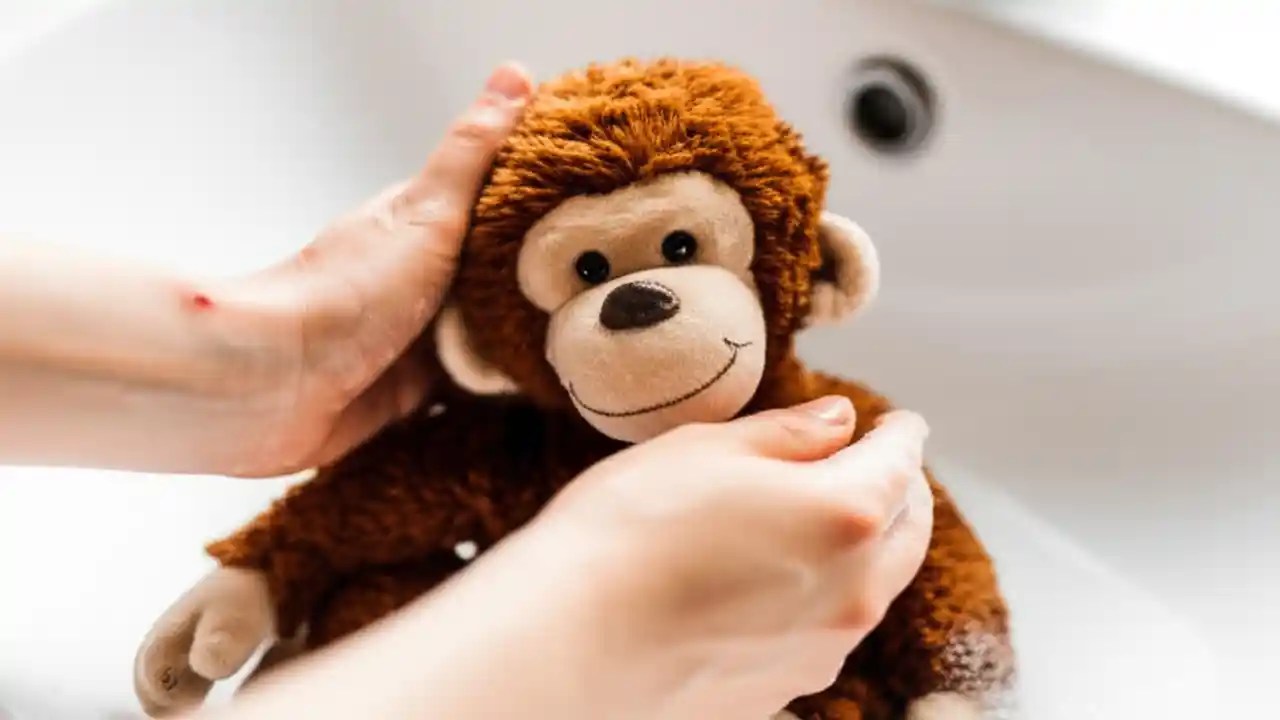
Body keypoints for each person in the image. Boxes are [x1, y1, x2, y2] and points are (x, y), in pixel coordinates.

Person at [0, 63, 935, 720]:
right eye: (587, 271)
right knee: (371, 595)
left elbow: (945, 588)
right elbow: (377, 504)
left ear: (818, 271)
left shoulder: (836, 432)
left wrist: (957, 680)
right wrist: (274, 574)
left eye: (682, 247)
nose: (636, 303)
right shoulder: (511, 449)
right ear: (487, 349)